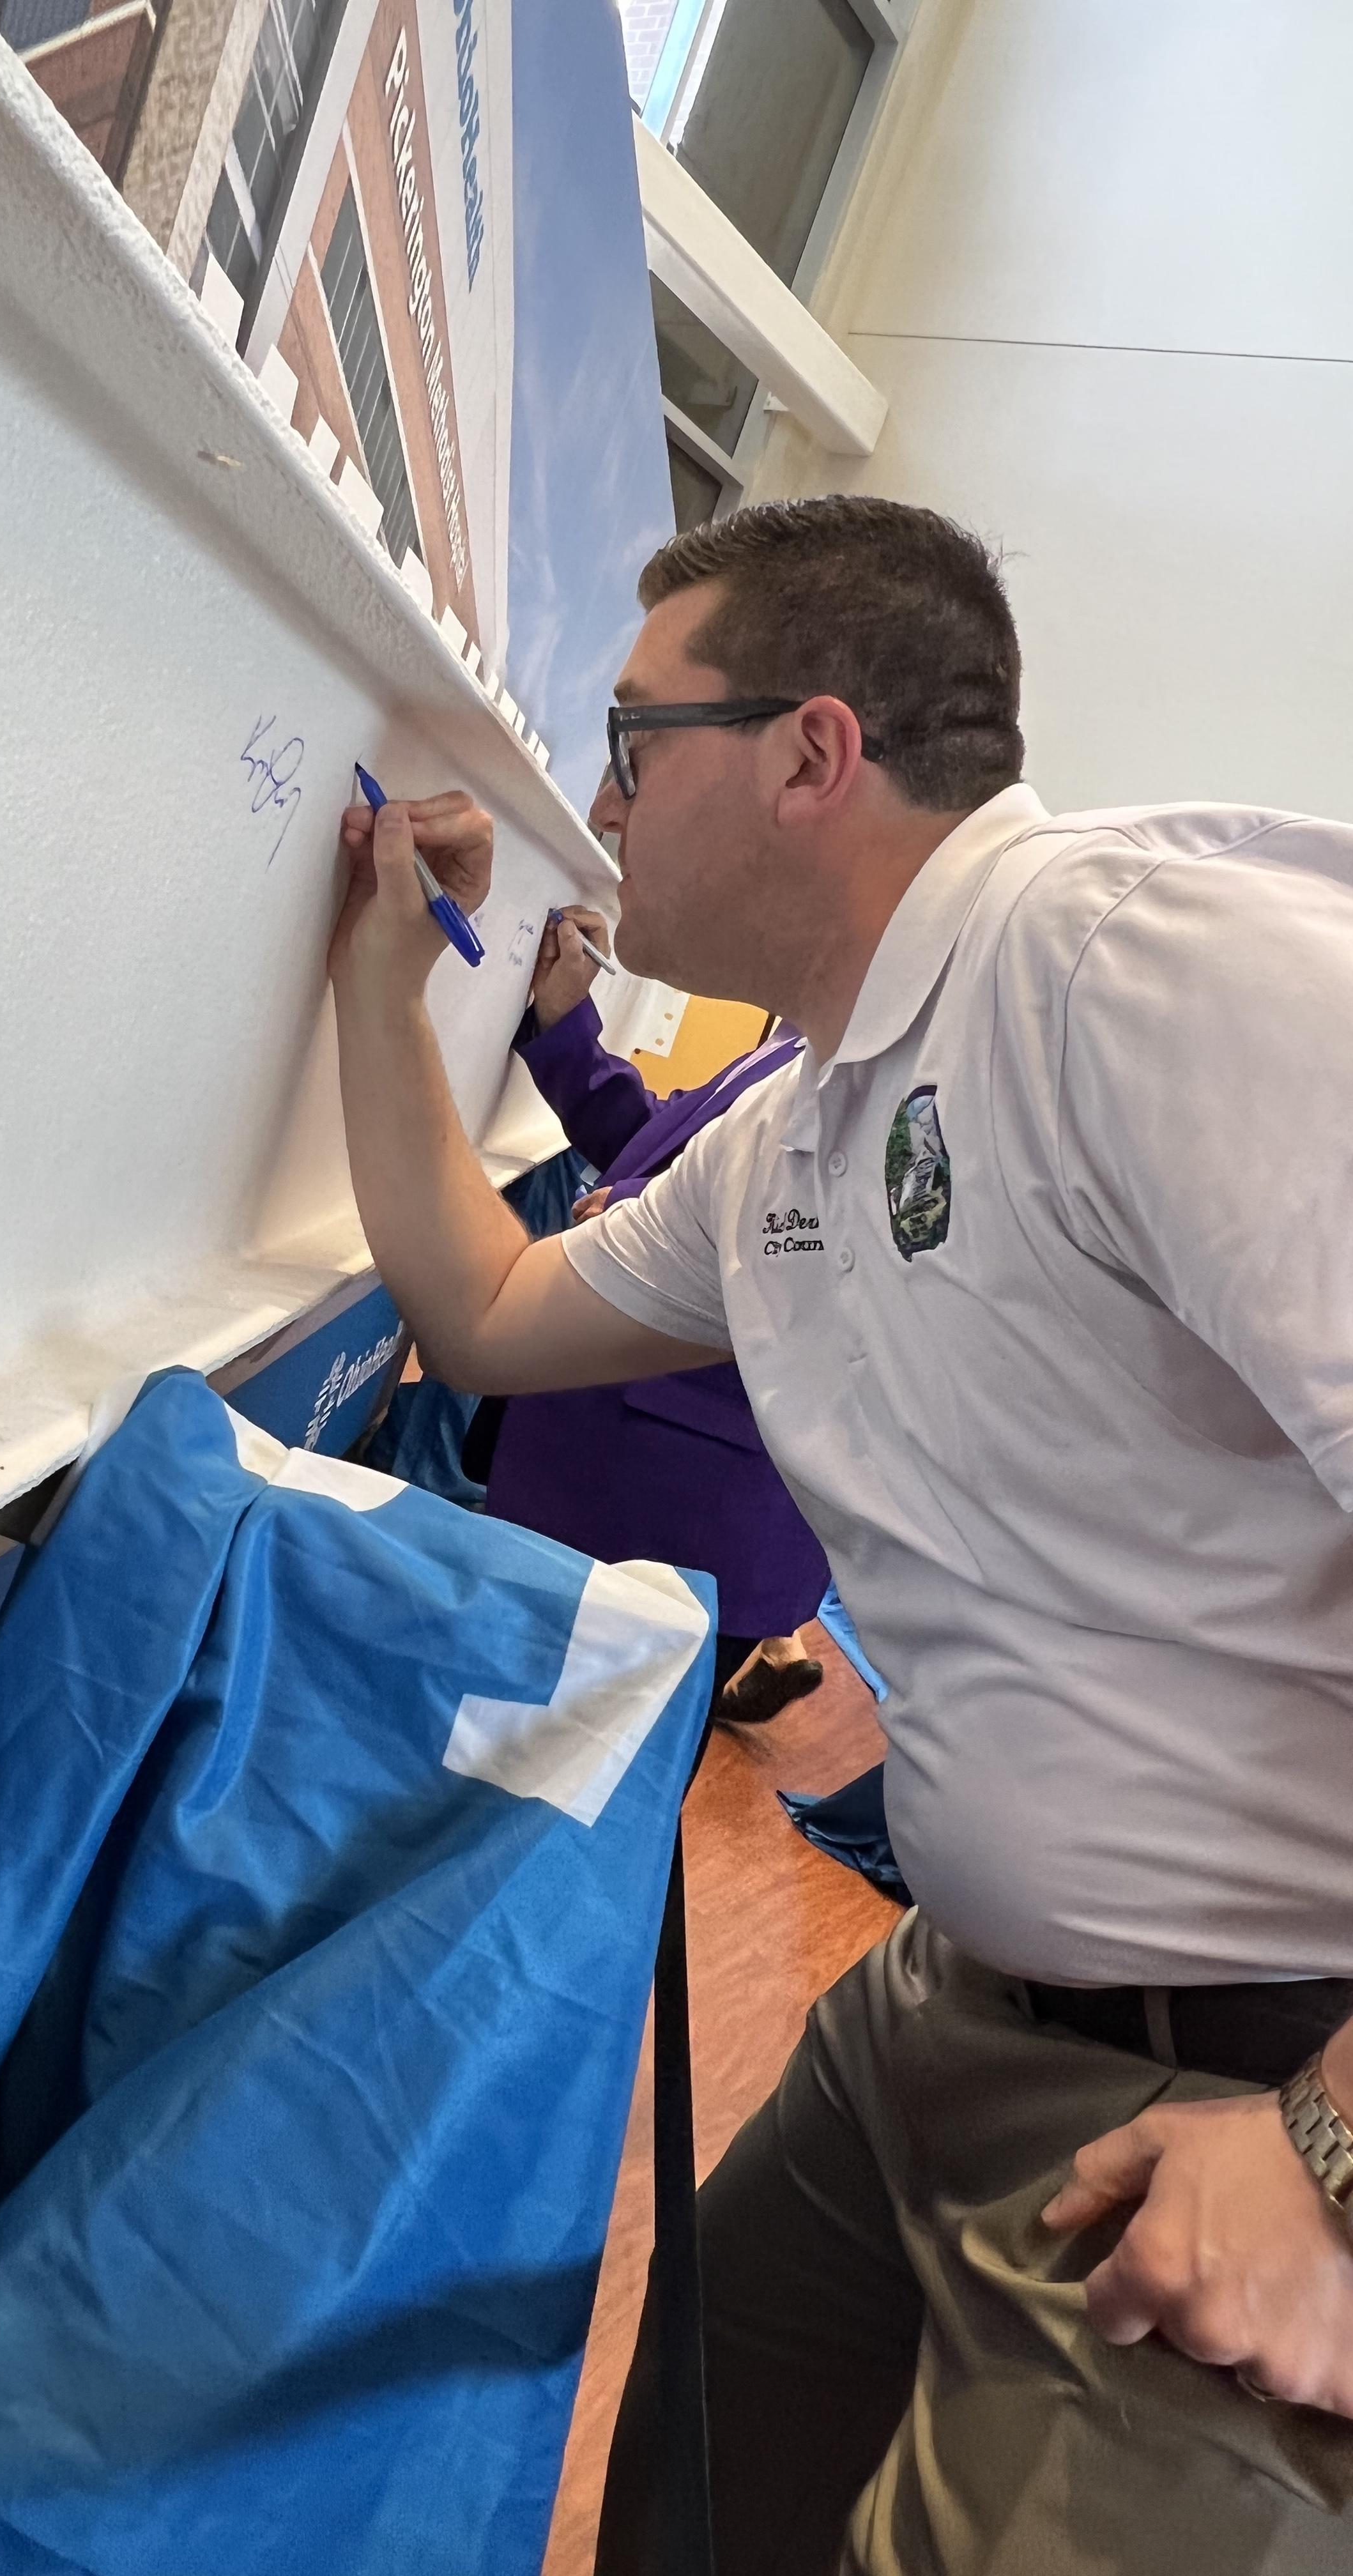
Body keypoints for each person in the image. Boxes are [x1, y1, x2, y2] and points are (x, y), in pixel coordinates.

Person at [327, 493, 1353, 2574]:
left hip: (1251, 2093)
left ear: (810, 754)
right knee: (698, 2486)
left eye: (637, 741)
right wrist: (377, 975)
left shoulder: (1143, 972)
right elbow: (491, 1309)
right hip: (951, 2007)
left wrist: (1332, 2158)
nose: (603, 798)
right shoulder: (795, 1121)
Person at [483, 903, 828, 1718]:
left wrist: (647, 1209)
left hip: (682, 1518)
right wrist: (567, 1028)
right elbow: (664, 1144)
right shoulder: (803, 1038)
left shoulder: (908, 1054)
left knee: (579, 1774)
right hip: (618, 1482)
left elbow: (851, 1241)